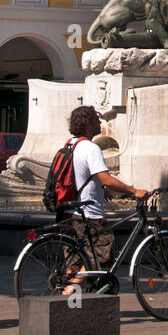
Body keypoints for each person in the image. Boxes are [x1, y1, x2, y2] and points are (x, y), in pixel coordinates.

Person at [57, 106, 147, 292]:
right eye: (96, 121)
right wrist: (133, 190)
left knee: (76, 258)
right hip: (88, 214)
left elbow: (79, 175)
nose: (100, 123)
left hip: (69, 212)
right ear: (87, 124)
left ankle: (69, 298)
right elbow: (105, 177)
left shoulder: (69, 144)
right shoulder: (91, 148)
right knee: (102, 252)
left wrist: (101, 189)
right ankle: (71, 289)